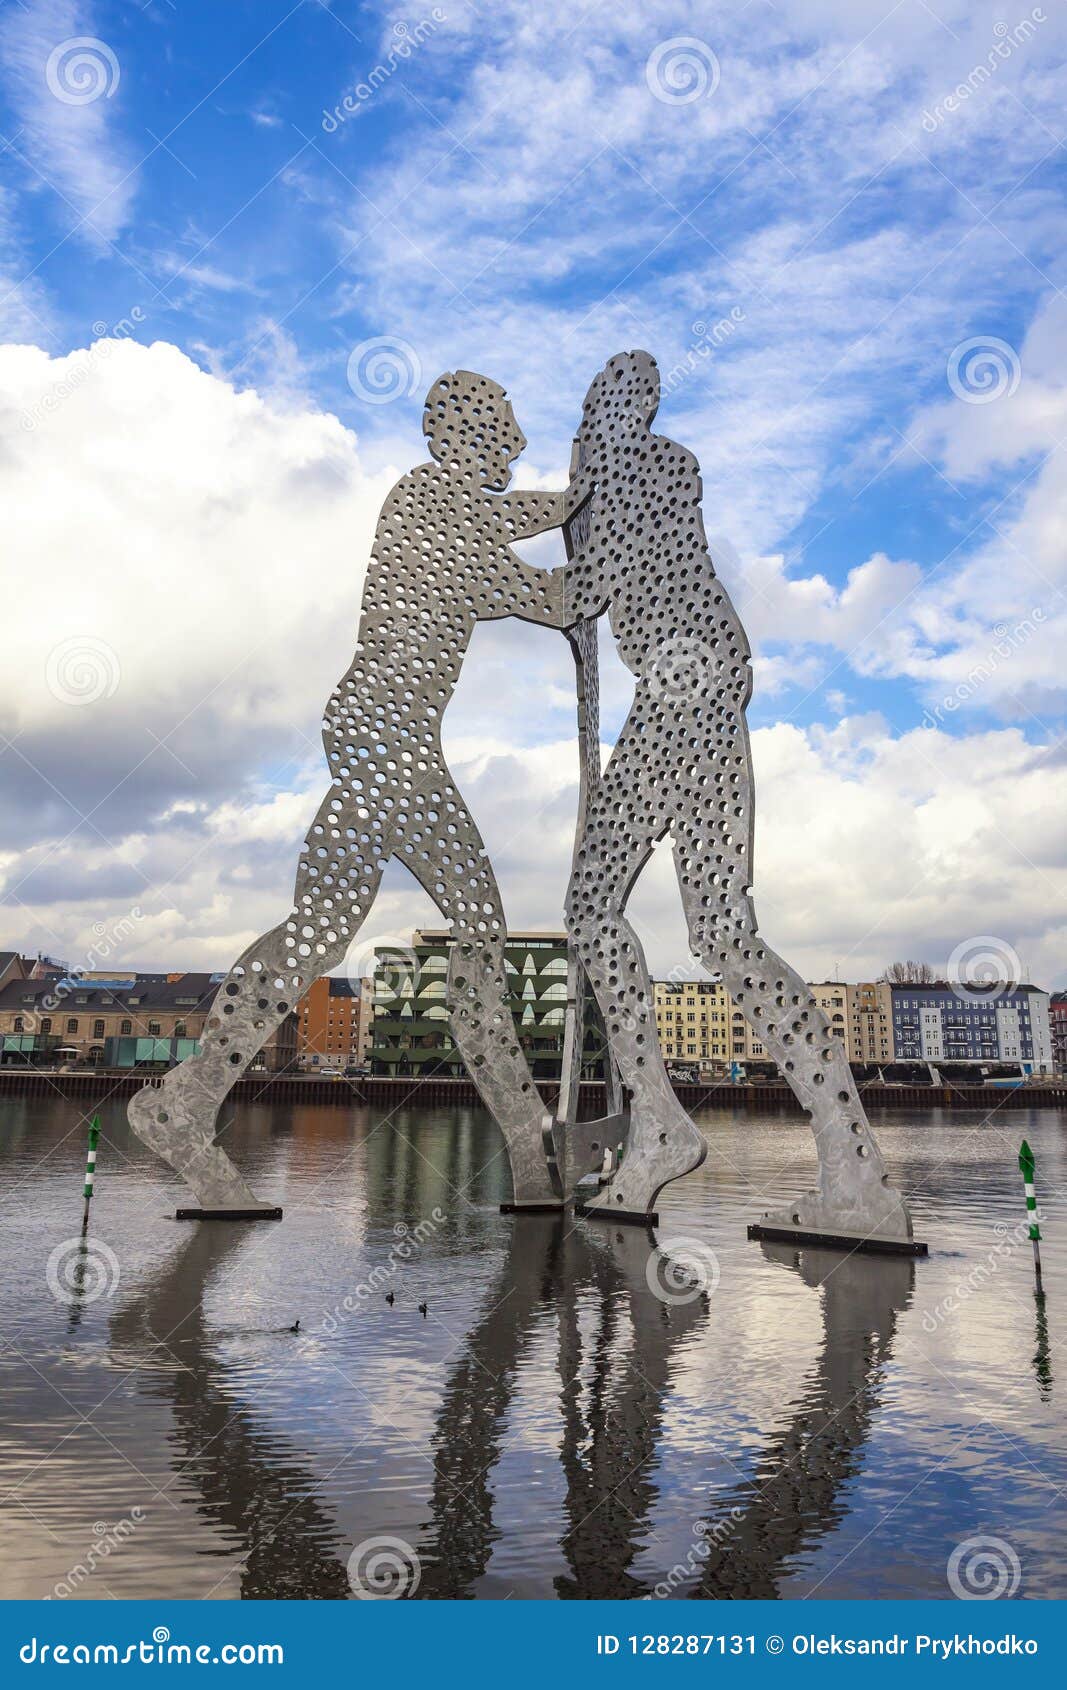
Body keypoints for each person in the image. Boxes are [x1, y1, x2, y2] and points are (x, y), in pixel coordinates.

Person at [129, 371, 571, 1212]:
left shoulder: (444, 507)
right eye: (505, 427)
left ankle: (185, 1105)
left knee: (318, 932)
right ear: (464, 435)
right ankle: (530, 1159)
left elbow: (522, 530)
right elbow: (544, 597)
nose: (516, 443)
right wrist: (602, 518)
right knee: (479, 933)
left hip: (377, 734)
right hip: (389, 739)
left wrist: (582, 505)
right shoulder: (431, 505)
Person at [561, 350, 914, 1241]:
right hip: (707, 682)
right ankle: (851, 1163)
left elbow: (582, 590)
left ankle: (660, 1129)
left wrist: (494, 558)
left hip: (681, 683)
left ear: (609, 419)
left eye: (589, 424)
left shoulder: (641, 475)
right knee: (721, 932)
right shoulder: (657, 469)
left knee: (591, 906)